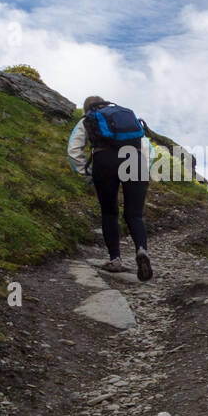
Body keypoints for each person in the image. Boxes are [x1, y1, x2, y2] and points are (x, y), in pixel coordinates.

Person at [67, 95, 153, 281]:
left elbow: (73, 149)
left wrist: (86, 172)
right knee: (135, 214)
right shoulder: (127, 118)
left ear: (86, 108)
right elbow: (147, 148)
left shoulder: (88, 118)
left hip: (105, 161)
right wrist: (143, 169)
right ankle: (141, 250)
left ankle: (115, 259)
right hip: (135, 160)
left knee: (109, 212)